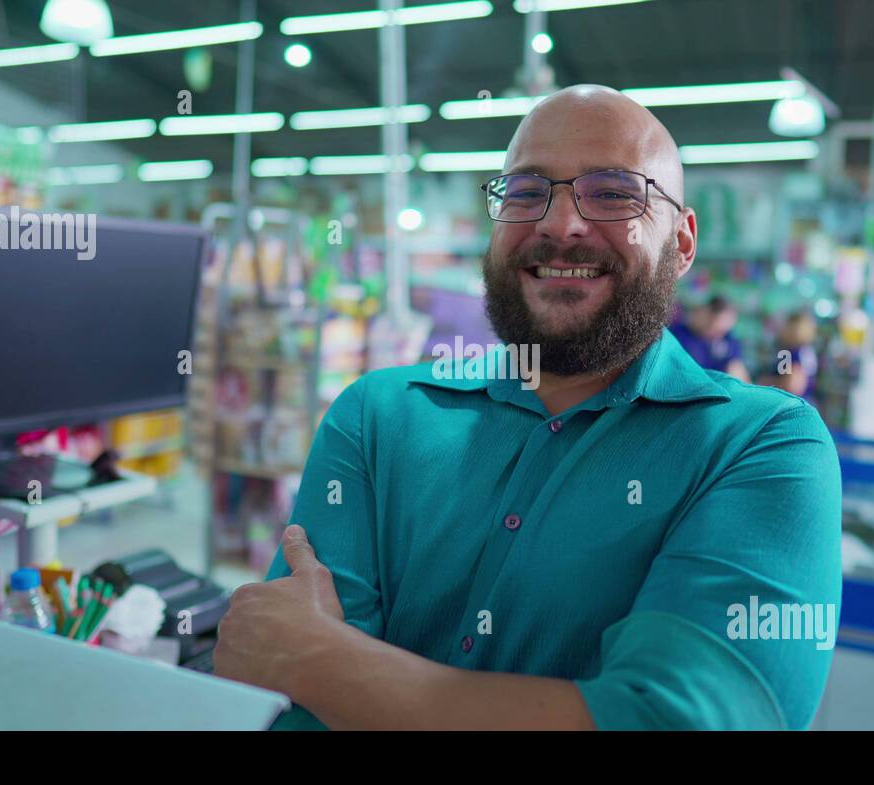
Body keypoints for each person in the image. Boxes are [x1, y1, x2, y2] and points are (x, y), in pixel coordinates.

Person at [214, 85, 842, 730]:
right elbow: (299, 719)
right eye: (525, 192)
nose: (560, 224)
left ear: (682, 244)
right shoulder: (377, 417)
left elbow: (676, 721)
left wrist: (316, 659)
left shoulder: (760, 444)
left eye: (613, 193)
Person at [669, 294, 751, 381]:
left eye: (724, 330)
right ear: (706, 313)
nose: (719, 335)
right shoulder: (677, 333)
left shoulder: (728, 339)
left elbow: (738, 371)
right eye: (717, 328)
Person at [761, 311, 819, 402]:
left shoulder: (790, 353)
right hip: (806, 402)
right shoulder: (806, 350)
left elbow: (793, 385)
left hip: (790, 405)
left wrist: (766, 383)